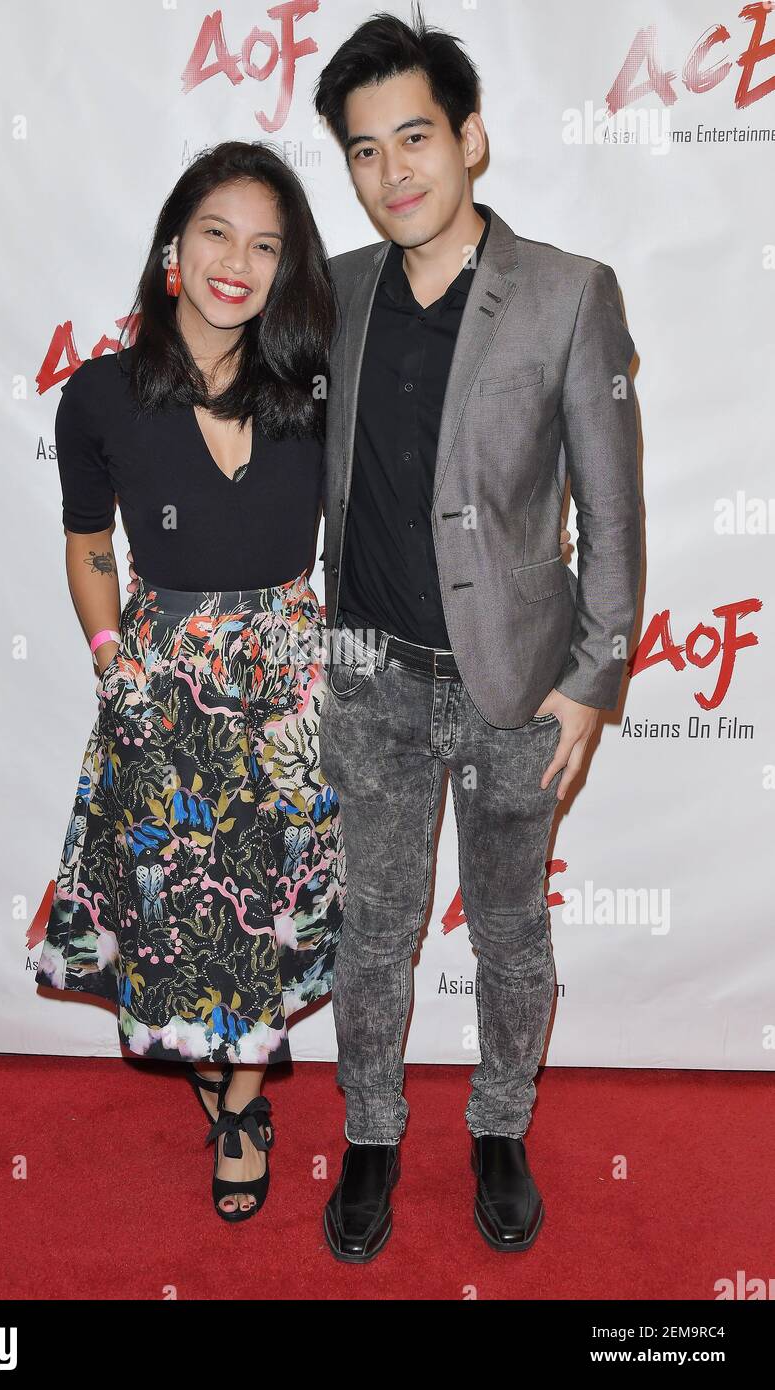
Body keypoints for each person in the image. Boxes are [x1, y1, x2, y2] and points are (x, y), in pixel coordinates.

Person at [312, 7, 642, 1262]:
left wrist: (592, 682)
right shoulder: (336, 292)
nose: (392, 171)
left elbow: (613, 510)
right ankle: (374, 1132)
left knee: (510, 928)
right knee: (376, 929)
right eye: (362, 150)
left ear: (473, 139)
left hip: (520, 687)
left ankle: (500, 1126)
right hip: (370, 677)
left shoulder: (567, 293)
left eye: (415, 138)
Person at [35, 141, 345, 1222]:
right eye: (217, 232)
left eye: (266, 245)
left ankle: (244, 1099)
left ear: (287, 268)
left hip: (290, 682)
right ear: (175, 243)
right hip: (161, 680)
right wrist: (113, 661)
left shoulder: (316, 384)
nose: (237, 263)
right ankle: (226, 1076)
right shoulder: (102, 395)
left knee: (265, 908)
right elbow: (85, 547)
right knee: (182, 907)